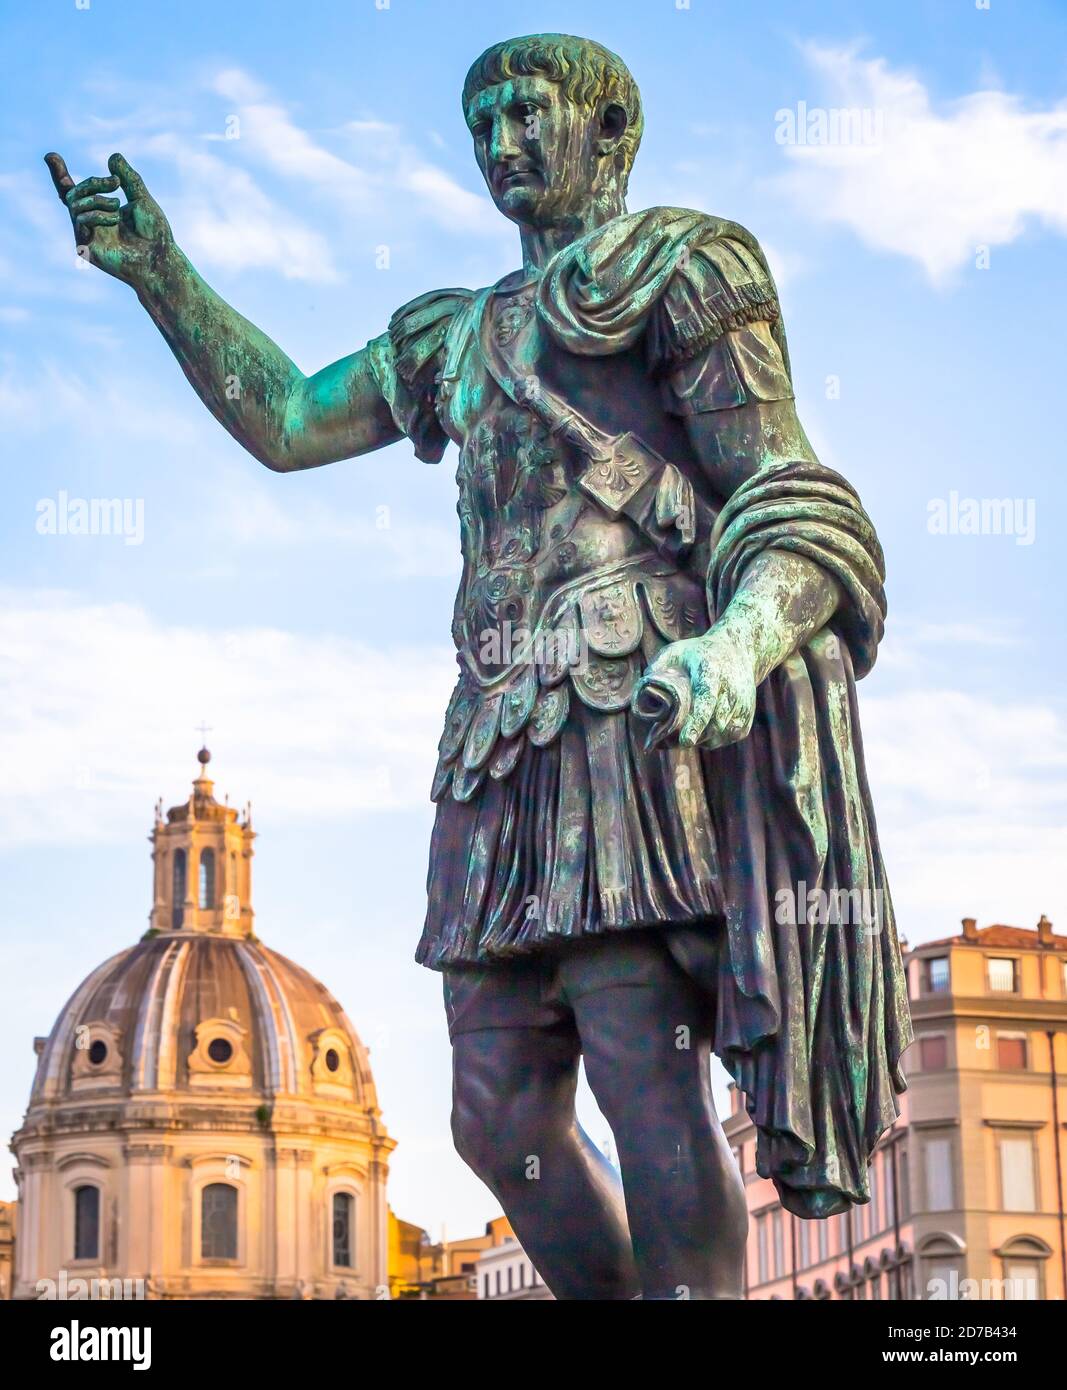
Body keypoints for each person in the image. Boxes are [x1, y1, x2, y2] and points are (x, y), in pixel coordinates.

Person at [46, 32, 911, 1301]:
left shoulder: (685, 269)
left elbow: (780, 487)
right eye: (482, 122)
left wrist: (735, 645)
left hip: (626, 700)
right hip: (498, 726)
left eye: (528, 114)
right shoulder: (458, 334)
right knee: (491, 1109)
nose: (502, 142)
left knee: (636, 1053)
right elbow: (288, 420)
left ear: (610, 135)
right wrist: (163, 279)